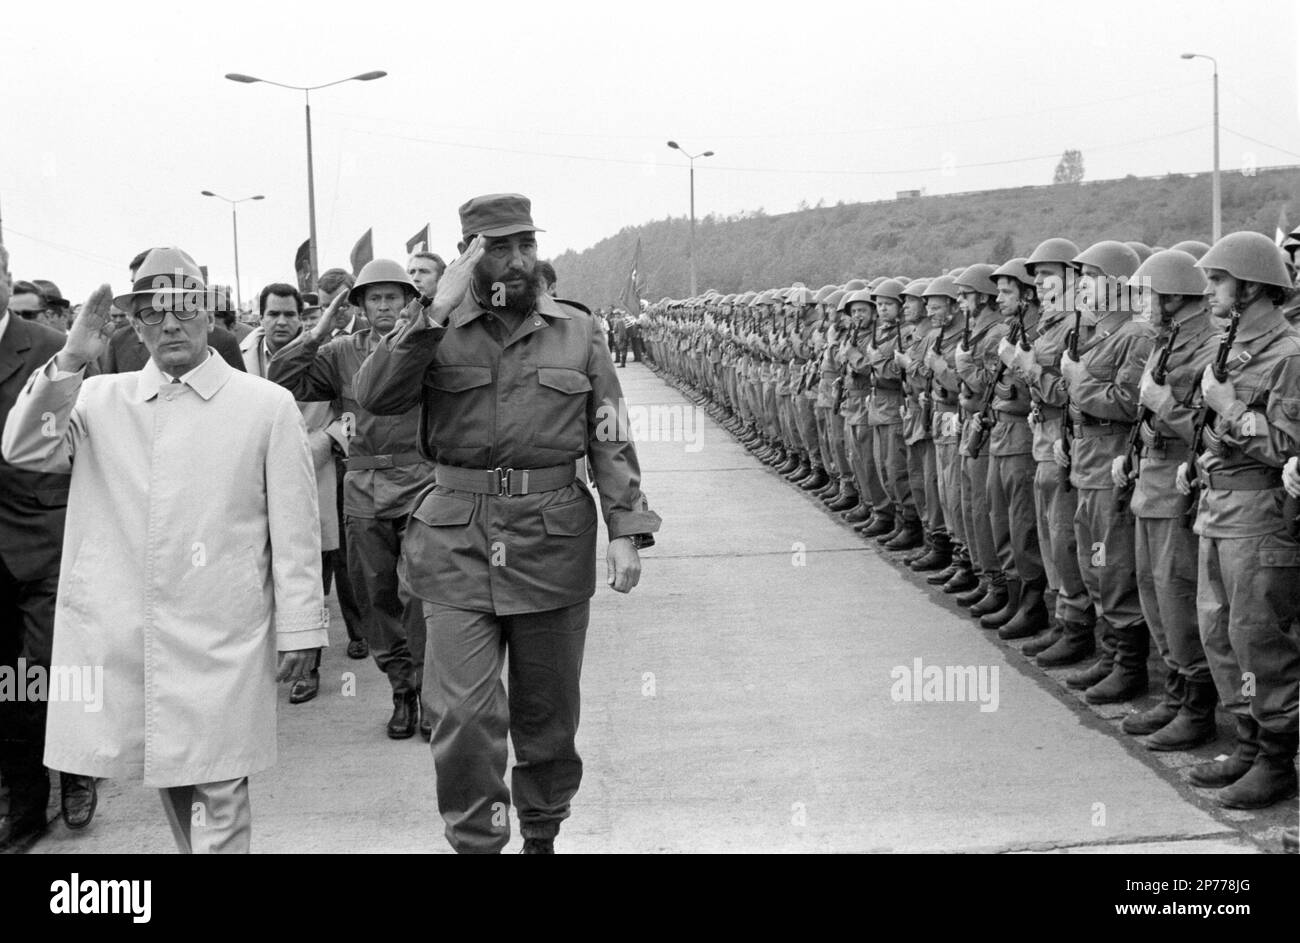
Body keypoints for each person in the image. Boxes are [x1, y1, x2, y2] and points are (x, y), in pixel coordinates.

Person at [353, 193, 660, 853]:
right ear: (471, 254)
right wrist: (433, 312)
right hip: (456, 542)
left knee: (547, 717)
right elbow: (375, 396)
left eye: (525, 243)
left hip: (551, 540)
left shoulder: (578, 331)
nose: (517, 259)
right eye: (499, 247)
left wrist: (625, 528)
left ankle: (543, 833)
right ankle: (477, 840)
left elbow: (610, 434)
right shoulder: (434, 331)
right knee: (461, 713)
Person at [1, 247, 326, 853]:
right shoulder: (98, 399)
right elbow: (24, 449)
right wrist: (70, 357)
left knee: (219, 785)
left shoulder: (265, 405)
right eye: (151, 313)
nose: (169, 325)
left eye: (183, 309)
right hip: (131, 631)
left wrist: (302, 627)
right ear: (134, 324)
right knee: (178, 781)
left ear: (209, 314)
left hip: (224, 633)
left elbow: (296, 529)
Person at [269, 259, 437, 740]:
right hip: (363, 490)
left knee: (418, 593)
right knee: (375, 597)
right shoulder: (342, 351)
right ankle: (401, 690)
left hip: (421, 486)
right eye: (374, 298)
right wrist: (317, 331)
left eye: (393, 297)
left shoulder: (426, 348)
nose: (384, 306)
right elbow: (282, 379)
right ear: (359, 306)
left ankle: (426, 690)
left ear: (408, 301)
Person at [1189, 232, 1300, 808]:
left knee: (1259, 638)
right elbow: (1218, 428)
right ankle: (1251, 743)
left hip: (1260, 513)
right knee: (1221, 632)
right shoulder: (1231, 351)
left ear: (1252, 286)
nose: (1207, 290)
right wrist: (1213, 437)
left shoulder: (1289, 355)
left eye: (1217, 280)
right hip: (1220, 506)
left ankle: (1278, 761)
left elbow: (1289, 445)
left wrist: (1230, 408)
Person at [0, 247, 98, 849]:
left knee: (47, 671)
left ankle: (77, 770)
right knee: (6, 680)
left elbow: (79, 437)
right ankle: (25, 807)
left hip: (44, 535)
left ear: (6, 279)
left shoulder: (50, 348)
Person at [241, 283, 364, 703]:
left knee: (312, 572)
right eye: (273, 314)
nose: (281, 322)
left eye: (289, 315)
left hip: (315, 473)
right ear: (260, 316)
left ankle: (307, 667)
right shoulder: (236, 355)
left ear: (301, 317)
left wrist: (326, 442)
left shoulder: (326, 354)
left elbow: (350, 413)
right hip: (251, 481)